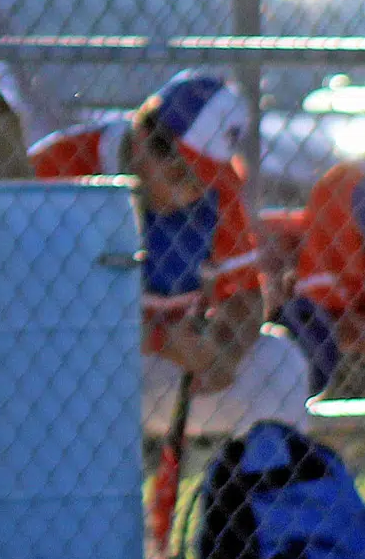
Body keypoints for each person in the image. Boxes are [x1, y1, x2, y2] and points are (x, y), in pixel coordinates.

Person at [29, 70, 309, 438]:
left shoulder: (218, 187)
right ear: (146, 138)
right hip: (65, 370)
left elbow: (245, 298)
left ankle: (262, 489)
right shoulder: (59, 165)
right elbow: (32, 308)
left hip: (159, 368)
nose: (193, 191)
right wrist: (158, 340)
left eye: (204, 178)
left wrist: (223, 353)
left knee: (280, 363)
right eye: (184, 174)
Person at [278, 160, 365, 396]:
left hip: (341, 299)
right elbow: (341, 324)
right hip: (325, 309)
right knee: (312, 331)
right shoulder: (346, 184)